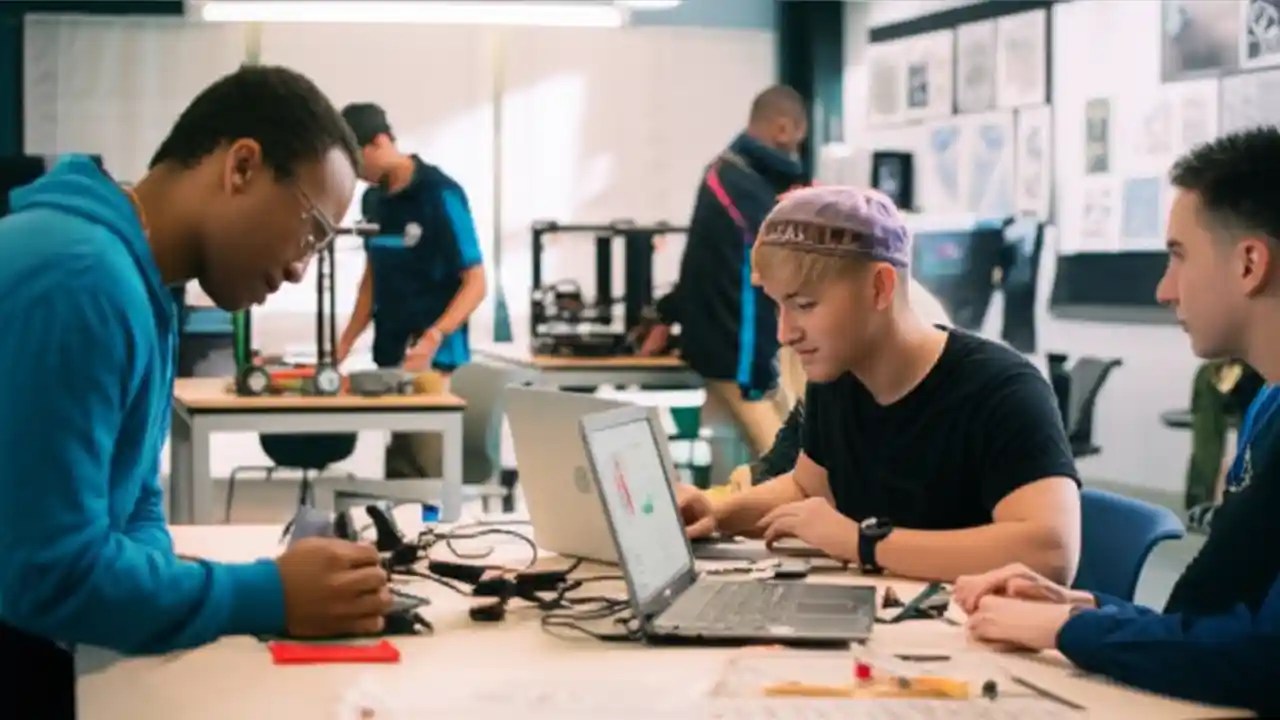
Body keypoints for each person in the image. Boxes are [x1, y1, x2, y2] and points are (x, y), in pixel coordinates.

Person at [0, 65, 394, 715]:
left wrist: (152, 592)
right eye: (310, 230)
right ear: (241, 167)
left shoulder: (136, 278)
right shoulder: (80, 277)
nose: (300, 268)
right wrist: (268, 594)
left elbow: (134, 512)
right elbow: (49, 578)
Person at [957, 128, 1280, 716]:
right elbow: (1214, 625)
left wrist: (1067, 630)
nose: (1164, 289)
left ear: (1251, 263)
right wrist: (1084, 609)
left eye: (1179, 255)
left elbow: (1264, 662)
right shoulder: (1269, 407)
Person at [676, 186, 1081, 583]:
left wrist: (863, 544)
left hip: (969, 630)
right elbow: (809, 490)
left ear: (880, 287)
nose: (785, 333)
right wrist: (718, 515)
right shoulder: (837, 377)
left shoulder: (1003, 390)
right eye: (779, 306)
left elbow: (1050, 552)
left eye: (804, 305)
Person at [640, 85, 811, 486]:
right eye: (797, 140)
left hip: (738, 352)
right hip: (740, 359)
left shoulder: (728, 176)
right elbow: (756, 275)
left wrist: (666, 313)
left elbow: (697, 266)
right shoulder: (743, 189)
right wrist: (753, 372)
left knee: (776, 464)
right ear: (783, 129)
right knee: (785, 473)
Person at [337, 102, 486, 481]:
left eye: (357, 161)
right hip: (390, 358)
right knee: (400, 471)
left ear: (380, 141)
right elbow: (371, 283)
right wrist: (341, 346)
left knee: (426, 471)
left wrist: (435, 336)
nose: (356, 174)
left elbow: (477, 282)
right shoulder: (374, 201)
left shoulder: (440, 194)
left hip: (434, 363)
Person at [720, 279, 952, 494]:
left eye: (804, 306)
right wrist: (752, 482)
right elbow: (796, 448)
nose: (785, 335)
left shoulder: (892, 330)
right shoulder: (822, 352)